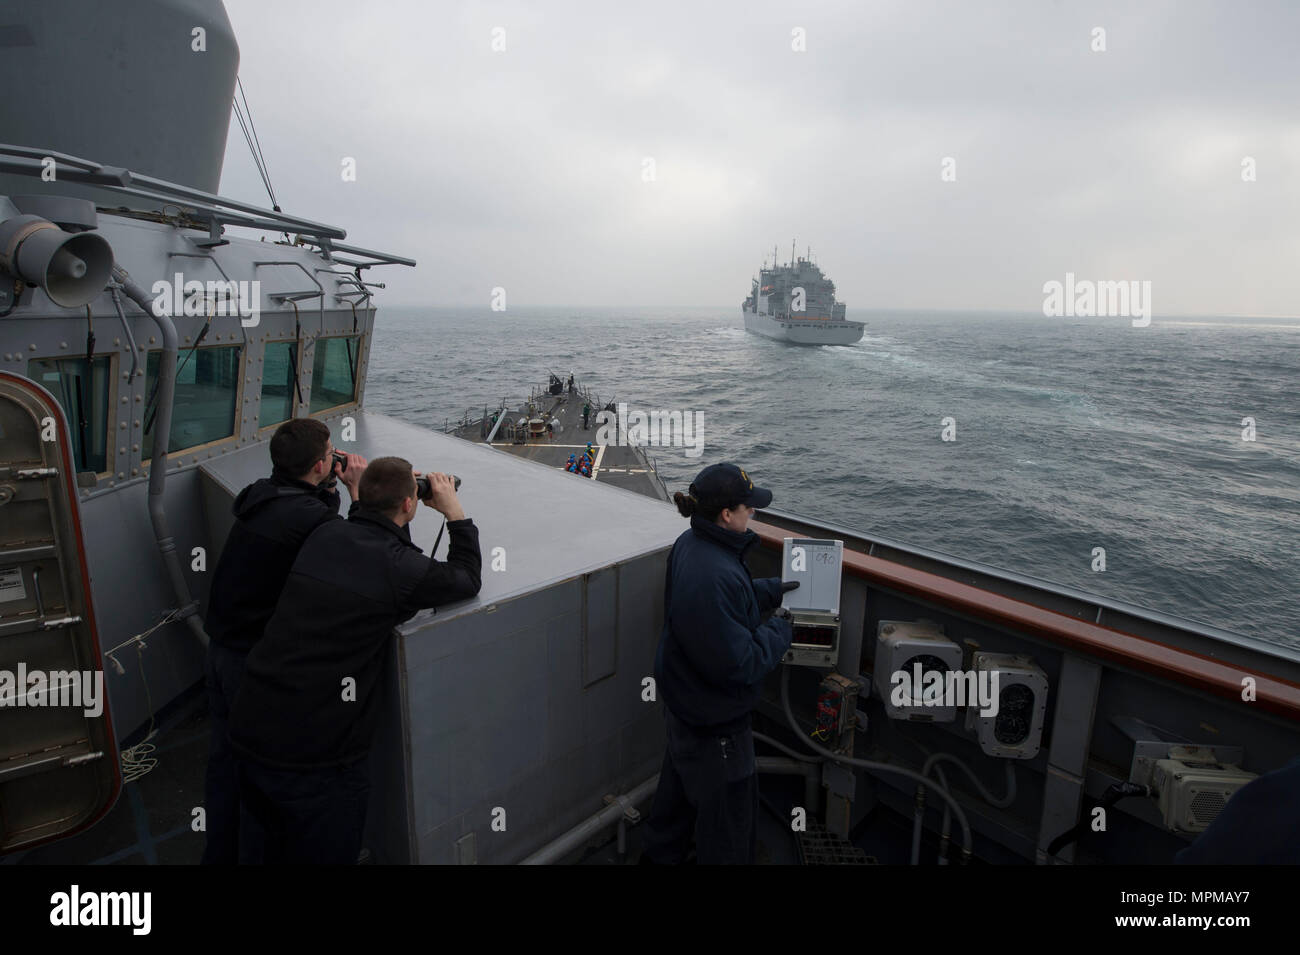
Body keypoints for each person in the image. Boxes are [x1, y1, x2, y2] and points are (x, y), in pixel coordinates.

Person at [229, 459, 481, 864]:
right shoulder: (400, 569)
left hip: (252, 719)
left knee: (259, 847)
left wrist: (366, 496)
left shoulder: (326, 533)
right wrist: (453, 513)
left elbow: (371, 541)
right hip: (315, 752)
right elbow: (466, 578)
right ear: (408, 504)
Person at [200, 418, 365, 865]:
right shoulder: (304, 516)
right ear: (318, 464)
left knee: (227, 770)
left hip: (220, 652)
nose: (337, 457)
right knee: (264, 783)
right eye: (331, 452)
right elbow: (356, 552)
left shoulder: (263, 494)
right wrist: (357, 492)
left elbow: (309, 526)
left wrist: (327, 486)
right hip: (249, 667)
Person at [640, 463, 796, 864]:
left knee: (672, 817)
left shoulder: (693, 544)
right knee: (728, 832)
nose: (754, 514)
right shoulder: (713, 572)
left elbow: (725, 606)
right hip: (716, 728)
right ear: (727, 515)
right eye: (749, 508)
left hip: (686, 713)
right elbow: (740, 663)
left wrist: (770, 591)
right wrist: (781, 630)